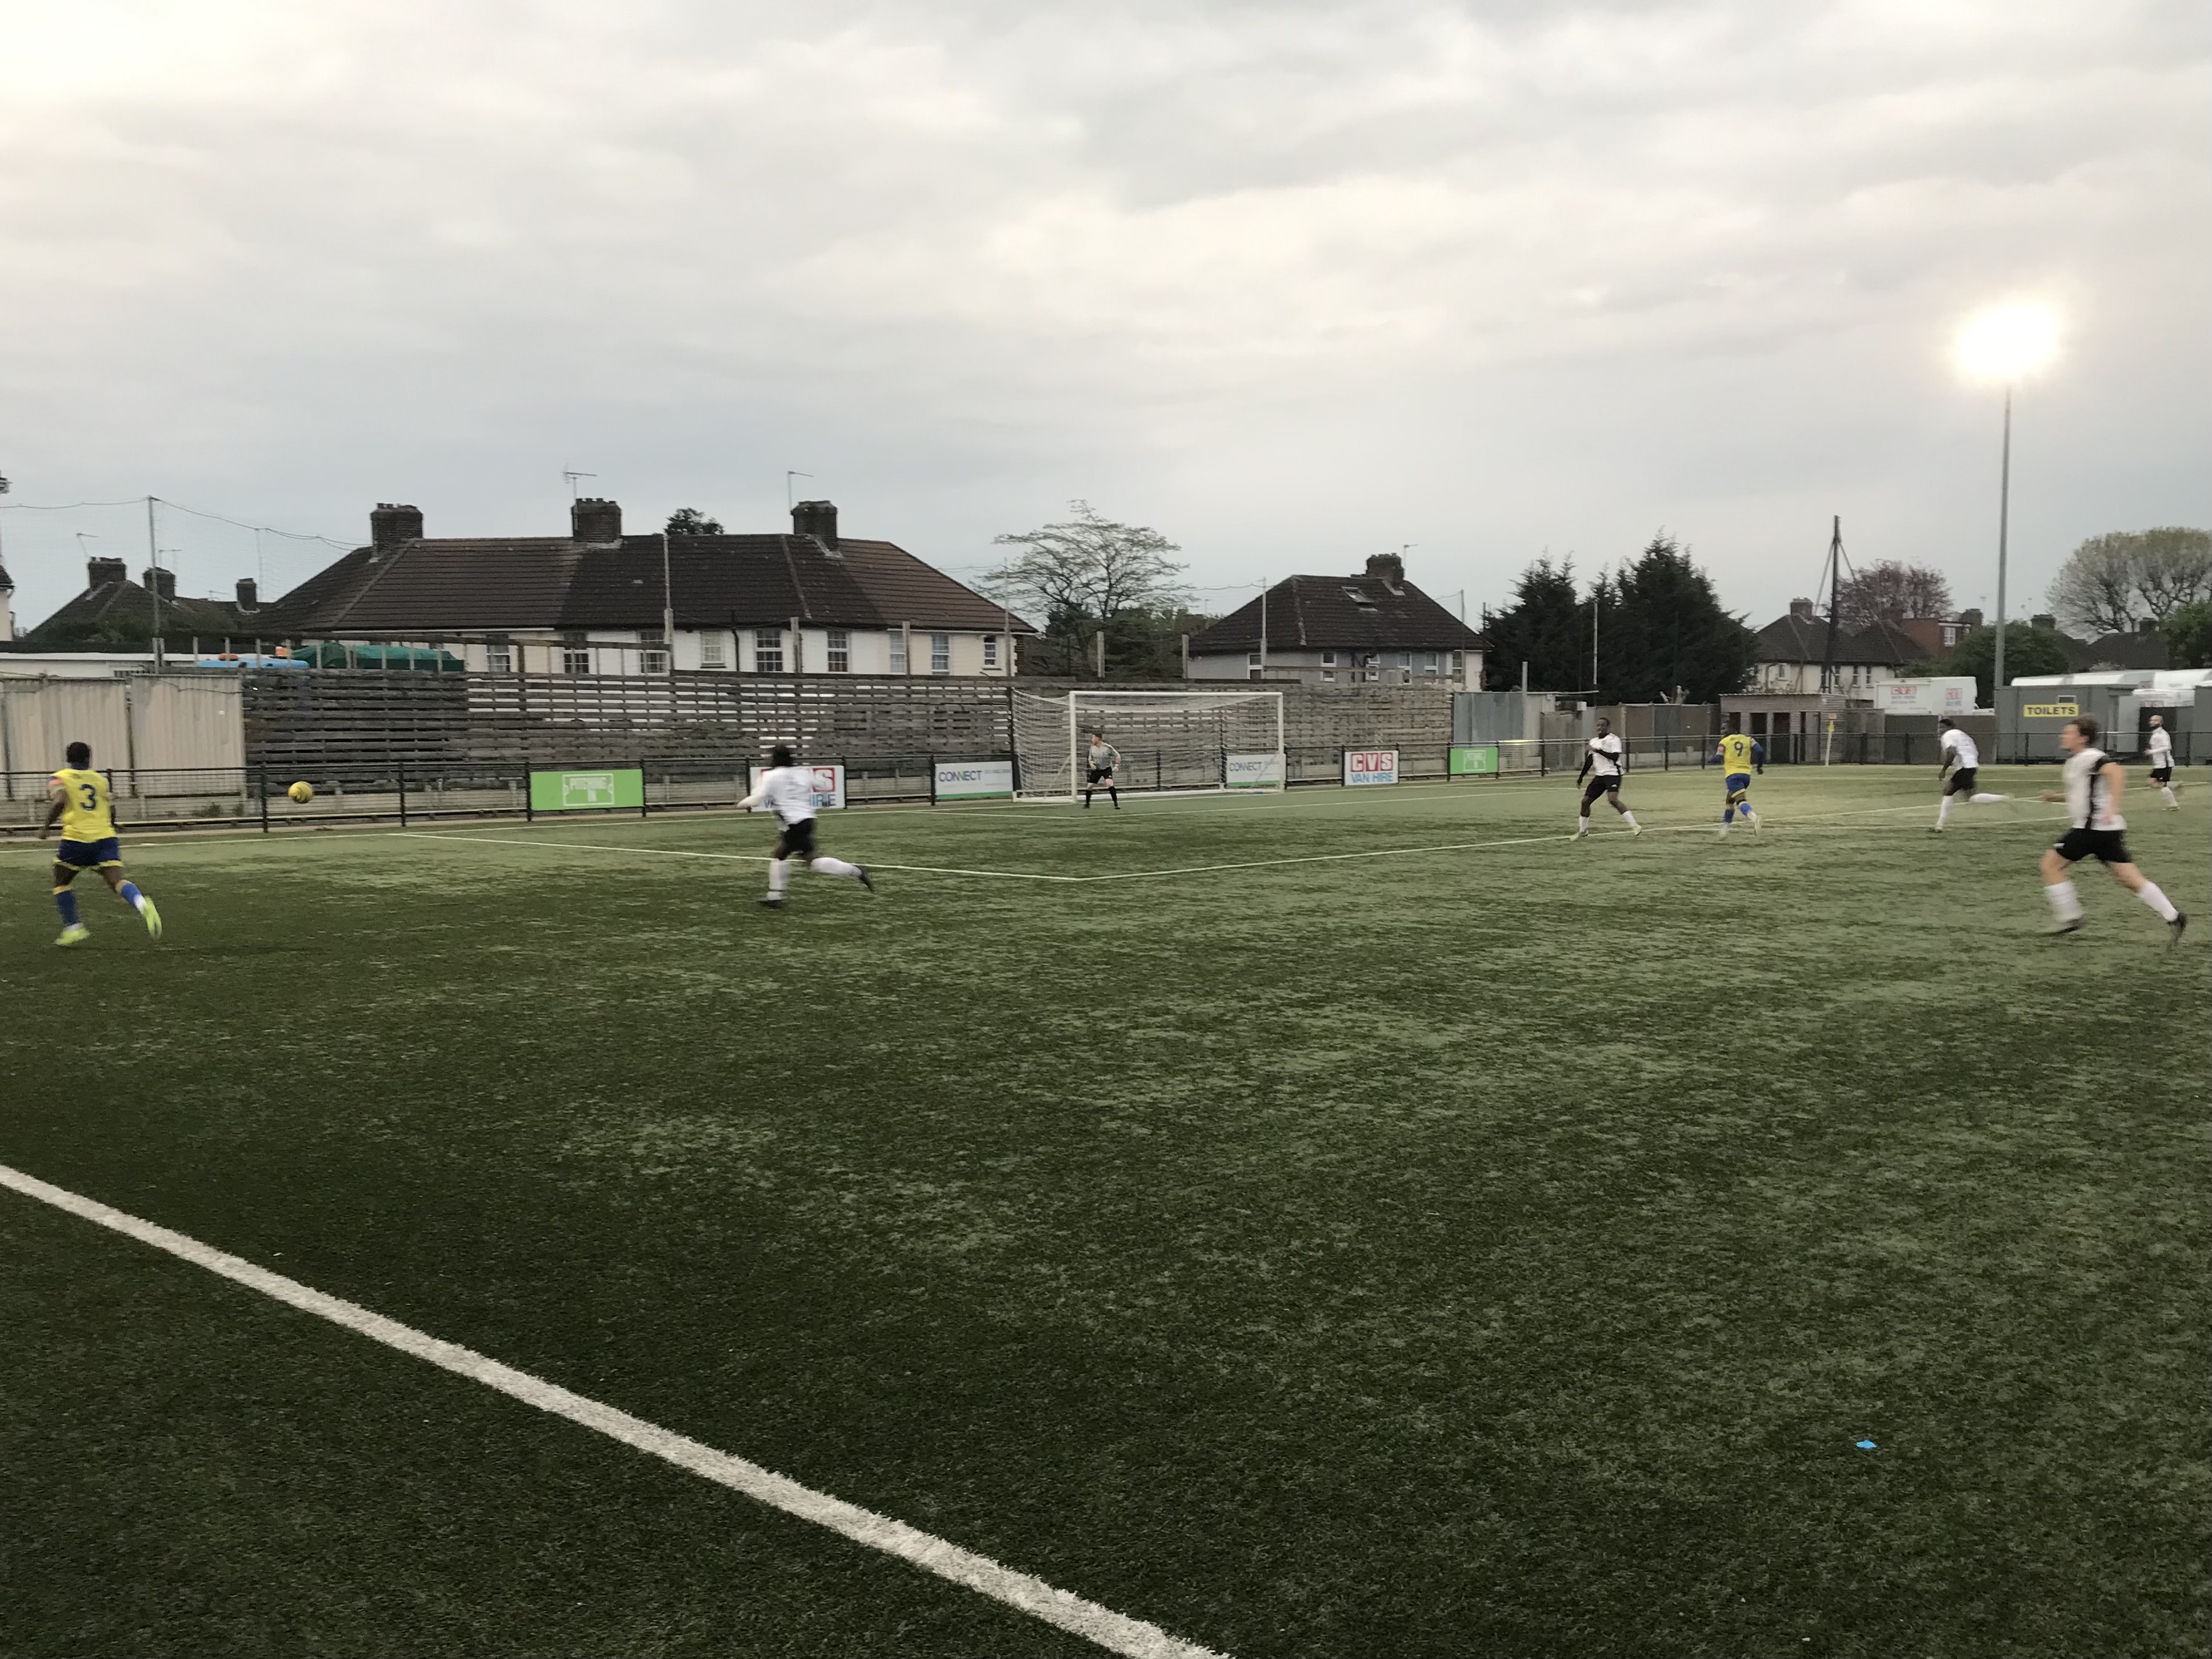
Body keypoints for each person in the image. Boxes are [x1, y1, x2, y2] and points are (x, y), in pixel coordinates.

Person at [2036, 716, 2185, 943]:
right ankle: (2174, 917)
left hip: (2091, 829)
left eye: (2068, 733)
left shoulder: (2090, 756)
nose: (2063, 736)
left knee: (2050, 866)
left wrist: (2113, 806)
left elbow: (2117, 773)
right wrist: (2056, 797)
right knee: (2129, 878)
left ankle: (2071, 917)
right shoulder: (2078, 760)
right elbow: (2084, 793)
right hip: (2107, 830)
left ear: (2083, 738)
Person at [40, 741, 162, 946]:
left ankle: (73, 927)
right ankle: (142, 904)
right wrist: (112, 825)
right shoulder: (100, 780)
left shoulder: (58, 778)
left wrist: (45, 827)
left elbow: (60, 801)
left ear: (68, 759)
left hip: (76, 839)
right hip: (105, 838)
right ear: (88, 759)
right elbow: (111, 808)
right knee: (117, 881)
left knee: (62, 881)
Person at [739, 745, 874, 908]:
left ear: (775, 759)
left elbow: (758, 797)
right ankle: (857, 871)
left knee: (780, 854)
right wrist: (823, 799)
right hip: (807, 820)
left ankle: (775, 897)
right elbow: (823, 785)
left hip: (794, 823)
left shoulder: (771, 776)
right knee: (812, 862)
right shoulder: (802, 772)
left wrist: (741, 804)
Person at [1932, 718, 2008, 830]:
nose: (1940, 730)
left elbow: (1952, 752)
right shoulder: (1963, 735)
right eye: (1939, 727)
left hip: (1965, 767)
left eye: (1942, 727)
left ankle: (1939, 826)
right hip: (1971, 766)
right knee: (1972, 798)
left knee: (1947, 792)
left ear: (1949, 727)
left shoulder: (1949, 735)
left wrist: (1944, 770)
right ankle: (2004, 798)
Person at [1572, 716, 1641, 838]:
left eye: (1602, 725)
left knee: (1613, 800)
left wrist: (1597, 750)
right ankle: (1583, 830)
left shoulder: (1614, 739)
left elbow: (1615, 757)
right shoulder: (1593, 741)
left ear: (1608, 727)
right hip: (1600, 776)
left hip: (1613, 774)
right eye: (1598, 725)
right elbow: (1590, 760)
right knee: (1585, 802)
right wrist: (1581, 777)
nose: (1600, 728)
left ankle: (1635, 826)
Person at [1712, 716, 1762, 837]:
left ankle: (1754, 817)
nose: (1722, 731)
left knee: (1740, 801)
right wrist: (1759, 767)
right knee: (1730, 800)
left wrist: (1710, 759)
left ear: (1733, 729)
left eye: (1724, 728)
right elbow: (1760, 751)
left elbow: (1718, 758)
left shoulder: (1724, 742)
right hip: (1746, 775)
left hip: (1733, 775)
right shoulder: (1748, 739)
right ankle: (1725, 827)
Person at [2145, 714, 2179, 810]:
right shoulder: (2155, 734)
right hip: (2159, 763)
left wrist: (2152, 752)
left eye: (2155, 720)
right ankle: (2173, 786)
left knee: (2160, 784)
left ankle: (2173, 805)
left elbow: (2167, 747)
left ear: (2160, 722)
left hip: (2165, 764)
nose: (2152, 722)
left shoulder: (2162, 734)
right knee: (2152, 783)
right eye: (2151, 720)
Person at [1082, 731, 1121, 809]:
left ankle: (1116, 804)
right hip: (1097, 769)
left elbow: (1118, 755)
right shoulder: (1092, 748)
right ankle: (1087, 804)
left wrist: (1116, 765)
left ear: (1098, 738)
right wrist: (1091, 764)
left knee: (1109, 783)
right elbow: (1090, 758)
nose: (1092, 739)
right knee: (1090, 786)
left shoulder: (1107, 747)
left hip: (1106, 769)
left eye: (1093, 738)